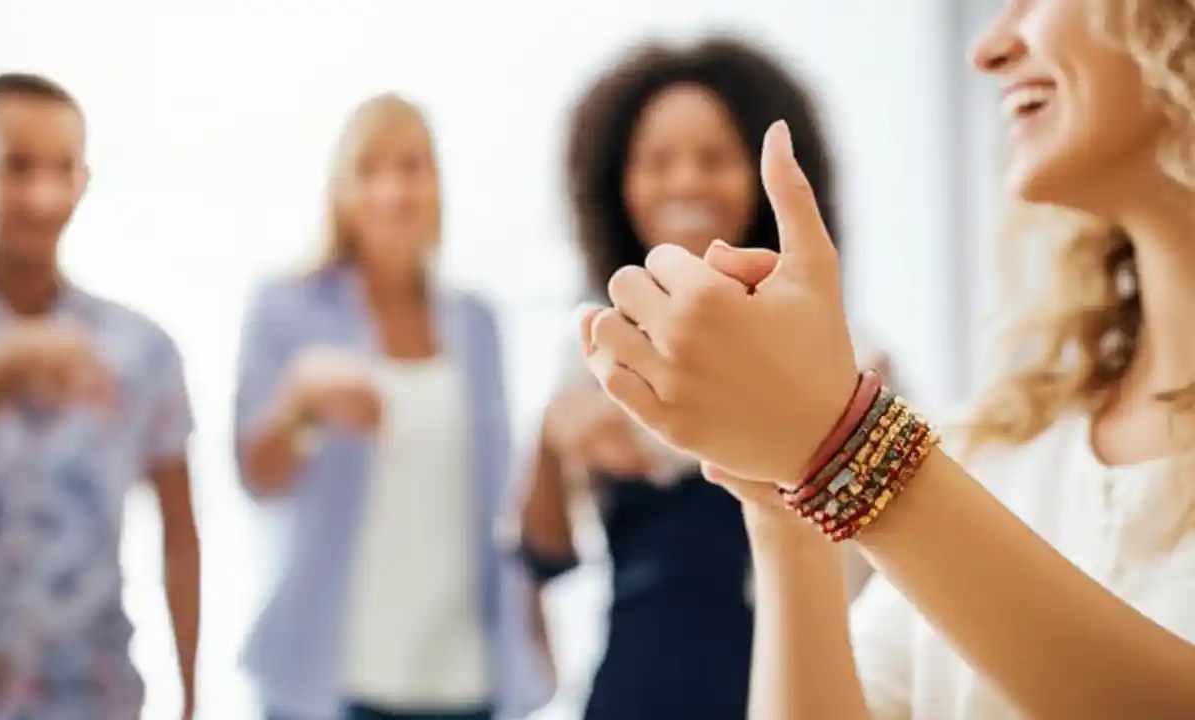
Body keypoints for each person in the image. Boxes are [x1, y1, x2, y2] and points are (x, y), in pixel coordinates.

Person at [580, 1, 1195, 718]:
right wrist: (787, 516)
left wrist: (840, 447)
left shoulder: (937, 450)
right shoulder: (999, 446)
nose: (990, 48)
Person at [518, 37, 883, 720]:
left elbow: (874, 576)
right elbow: (544, 555)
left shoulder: (848, 353)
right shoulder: (593, 347)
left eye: (714, 158)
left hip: (775, 679)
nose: (685, 181)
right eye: (657, 161)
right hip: (636, 681)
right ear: (617, 183)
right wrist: (549, 437)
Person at [235, 93, 551, 720]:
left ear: (437, 185)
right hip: (329, 678)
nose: (392, 191)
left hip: (465, 677)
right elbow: (257, 479)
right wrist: (302, 402)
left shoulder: (477, 323)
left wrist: (535, 632)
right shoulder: (287, 309)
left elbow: (500, 499)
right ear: (339, 190)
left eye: (412, 167)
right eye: (369, 170)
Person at [0, 73, 200, 720]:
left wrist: (190, 697)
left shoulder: (140, 350)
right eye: (18, 167)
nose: (42, 195)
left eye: (60, 168)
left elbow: (179, 535)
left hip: (89, 698)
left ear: (83, 179)